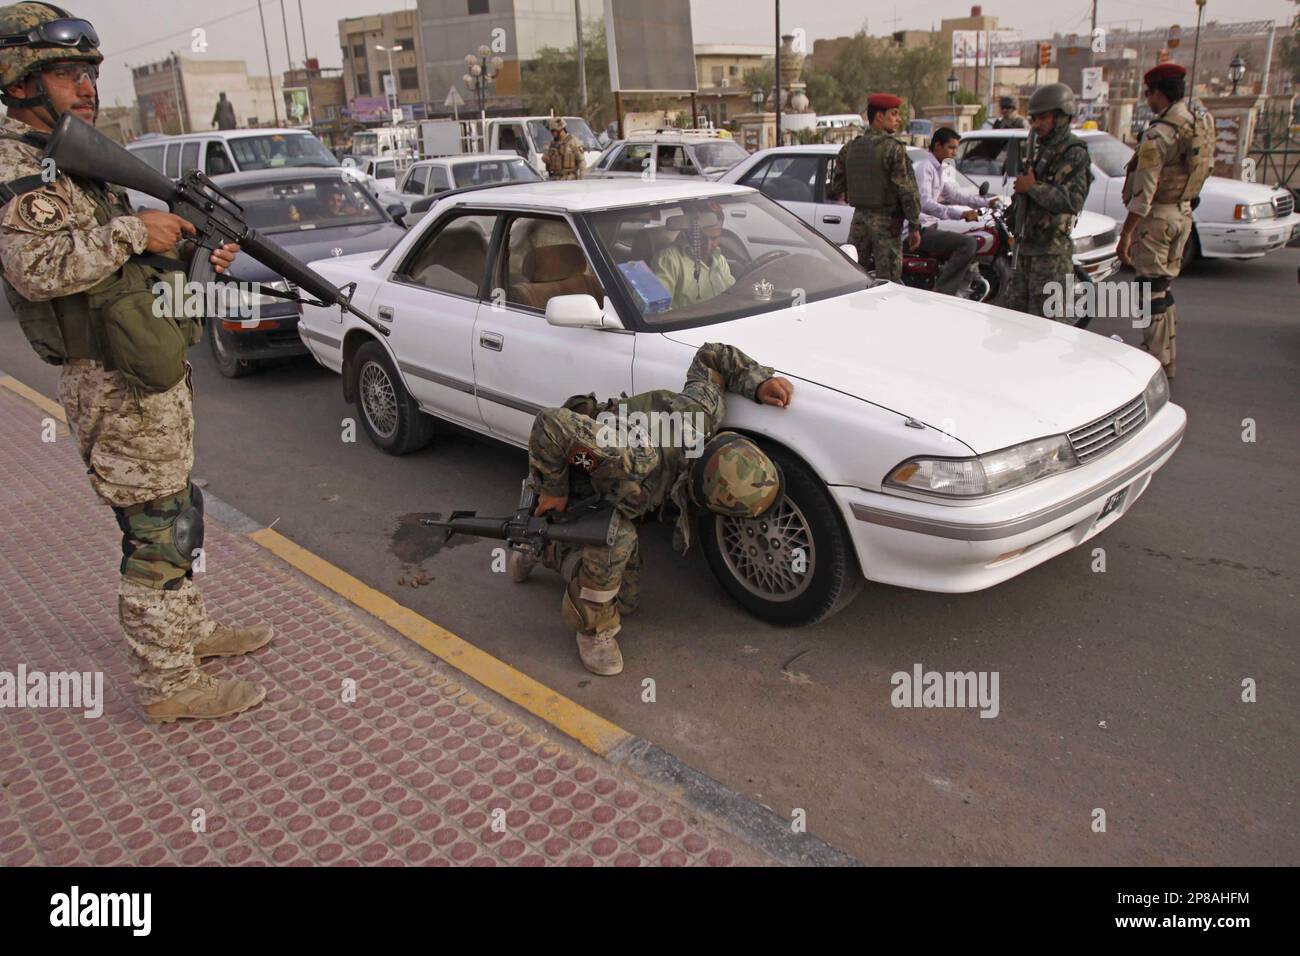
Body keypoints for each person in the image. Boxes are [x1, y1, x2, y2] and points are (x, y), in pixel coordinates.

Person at [0, 3, 271, 722]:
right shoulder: (17, 166)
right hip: (109, 384)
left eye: (89, 72)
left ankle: (188, 635)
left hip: (145, 372)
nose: (85, 87)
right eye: (65, 73)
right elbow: (39, 269)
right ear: (19, 81)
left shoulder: (73, 156)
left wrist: (182, 249)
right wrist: (133, 228)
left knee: (180, 510)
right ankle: (169, 687)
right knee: (155, 529)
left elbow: (124, 266)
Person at [516, 343, 794, 675]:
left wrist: (758, 382)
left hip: (618, 485)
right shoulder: (638, 458)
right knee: (614, 539)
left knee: (627, 601)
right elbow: (549, 424)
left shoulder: (701, 413)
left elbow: (713, 356)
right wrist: (553, 490)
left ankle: (555, 547)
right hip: (580, 486)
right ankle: (587, 621)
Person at [1117, 62, 1211, 380]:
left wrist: (1126, 235)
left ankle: (1153, 362)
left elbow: (1143, 195)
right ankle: (1167, 357)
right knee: (1163, 289)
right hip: (1182, 214)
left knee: (1148, 292)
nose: (1147, 100)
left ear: (1159, 93)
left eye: (1148, 94)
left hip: (1157, 220)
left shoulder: (1159, 135)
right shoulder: (1197, 124)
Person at [1000, 83, 1091, 319]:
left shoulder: (1074, 152)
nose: (1036, 124)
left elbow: (1071, 201)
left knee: (1047, 328)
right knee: (1016, 322)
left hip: (1051, 254)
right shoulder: (1041, 150)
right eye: (1034, 118)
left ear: (1061, 116)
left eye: (1042, 118)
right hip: (1027, 249)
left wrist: (1032, 187)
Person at [829, 92, 921, 282]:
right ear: (879, 116)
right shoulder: (893, 148)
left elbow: (836, 186)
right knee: (889, 282)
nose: (899, 119)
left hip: (859, 222)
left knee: (853, 278)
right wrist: (914, 226)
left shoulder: (850, 148)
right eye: (894, 114)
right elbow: (907, 190)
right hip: (887, 224)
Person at [913, 127, 991, 296]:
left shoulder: (940, 168)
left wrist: (987, 202)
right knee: (968, 243)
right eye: (952, 147)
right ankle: (944, 292)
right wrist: (961, 214)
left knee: (971, 235)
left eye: (956, 148)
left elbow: (955, 195)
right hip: (918, 230)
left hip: (930, 227)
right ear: (937, 146)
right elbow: (925, 203)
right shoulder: (925, 168)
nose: (955, 152)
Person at [650, 205, 734, 308]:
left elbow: (733, 296)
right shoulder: (669, 260)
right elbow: (658, 308)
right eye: (701, 238)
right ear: (688, 232)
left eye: (713, 238)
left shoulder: (720, 261)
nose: (707, 245)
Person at [542, 116, 584, 181]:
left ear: (560, 130)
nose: (552, 134)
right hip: (555, 178)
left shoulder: (573, 142)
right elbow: (548, 159)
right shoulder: (552, 143)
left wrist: (581, 179)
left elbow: (581, 162)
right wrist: (546, 159)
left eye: (553, 131)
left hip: (569, 179)